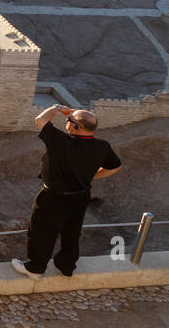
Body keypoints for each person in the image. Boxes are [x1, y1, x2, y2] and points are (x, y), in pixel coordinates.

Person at [13, 105, 123, 280]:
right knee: (72, 232)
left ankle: (35, 268)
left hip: (54, 197)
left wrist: (58, 108)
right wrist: (90, 176)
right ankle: (66, 266)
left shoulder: (61, 142)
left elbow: (40, 119)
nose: (67, 121)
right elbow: (115, 166)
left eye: (69, 120)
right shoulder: (102, 146)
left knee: (42, 232)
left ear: (77, 127)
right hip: (80, 196)